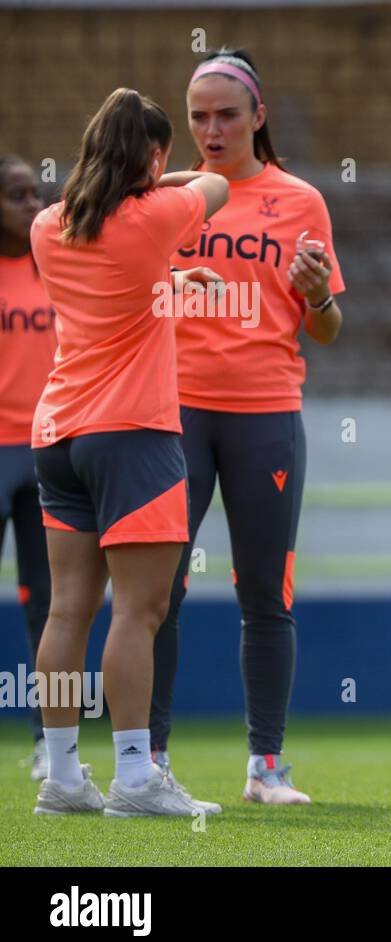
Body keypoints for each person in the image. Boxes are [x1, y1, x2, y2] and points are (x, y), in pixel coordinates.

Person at [147, 49, 345, 806]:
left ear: (259, 116)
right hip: (171, 412)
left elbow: (325, 328)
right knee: (154, 594)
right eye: (198, 116)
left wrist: (320, 295)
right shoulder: (166, 197)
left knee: (266, 593)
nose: (211, 128)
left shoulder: (299, 201)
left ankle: (266, 766)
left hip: (266, 412)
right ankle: (149, 760)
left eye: (227, 114)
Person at [28, 87, 228, 816]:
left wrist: (169, 284)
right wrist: (164, 180)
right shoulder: (155, 211)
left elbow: (106, 298)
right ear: (151, 155)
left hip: (60, 432)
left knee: (65, 613)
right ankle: (137, 778)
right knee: (138, 613)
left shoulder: (50, 224)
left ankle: (61, 775)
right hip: (133, 435)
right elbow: (220, 183)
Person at [0, 155, 57, 778]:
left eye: (36, 194)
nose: (31, 205)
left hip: (47, 451)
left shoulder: (57, 268)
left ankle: (53, 740)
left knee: (53, 604)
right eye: (16, 195)